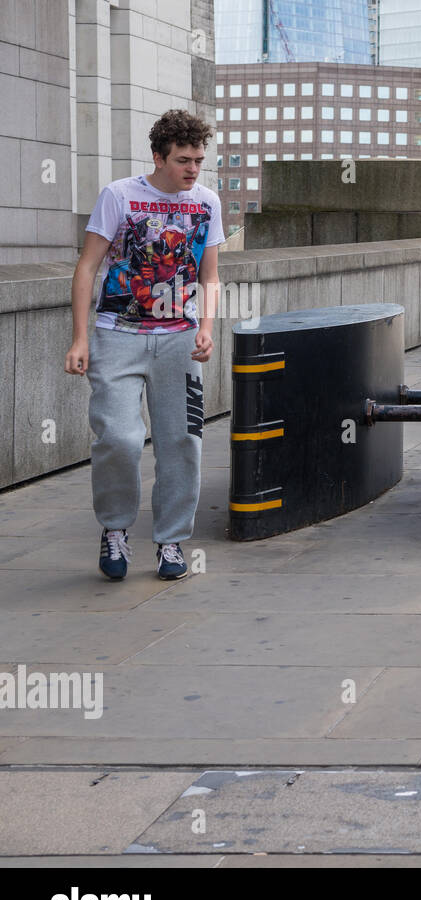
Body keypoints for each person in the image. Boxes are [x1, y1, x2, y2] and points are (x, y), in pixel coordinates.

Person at [64, 109, 224, 581]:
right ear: (158, 157)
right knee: (119, 438)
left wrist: (207, 326)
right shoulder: (119, 196)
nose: (192, 169)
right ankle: (115, 529)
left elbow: (210, 275)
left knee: (183, 441)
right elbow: (87, 267)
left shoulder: (207, 202)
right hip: (118, 334)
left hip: (179, 338)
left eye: (198, 159)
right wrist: (79, 338)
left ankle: (171, 541)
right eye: (183, 160)